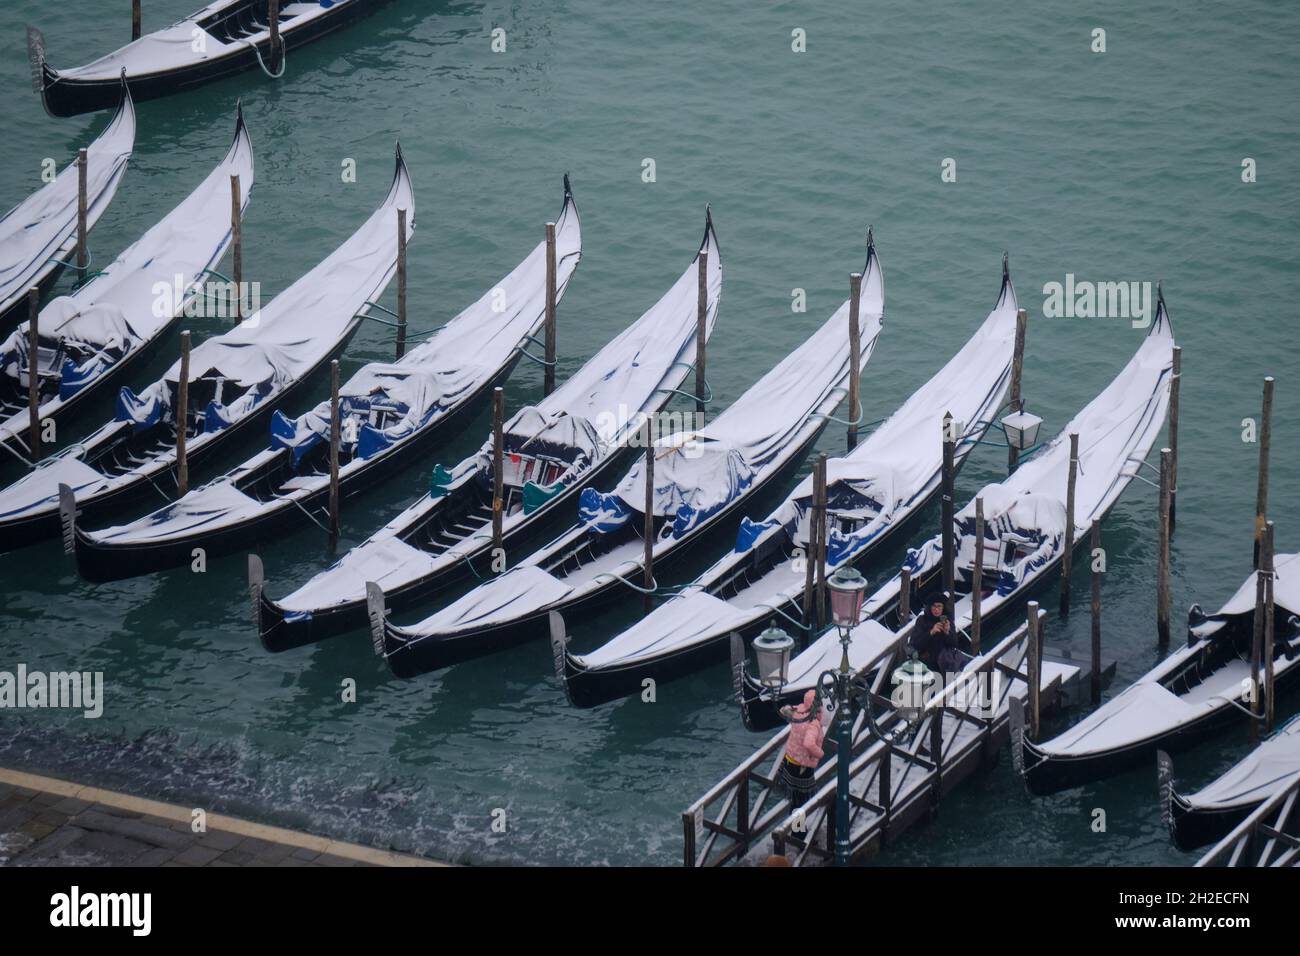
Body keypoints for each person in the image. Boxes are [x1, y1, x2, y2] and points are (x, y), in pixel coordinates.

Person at [779, 690, 824, 807]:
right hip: (802, 767)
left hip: (789, 760)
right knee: (801, 801)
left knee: (795, 799)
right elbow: (809, 744)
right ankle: (798, 825)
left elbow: (784, 710)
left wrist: (790, 708)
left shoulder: (798, 711)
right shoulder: (813, 723)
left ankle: (796, 823)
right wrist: (820, 754)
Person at [908, 592, 964, 673]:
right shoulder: (922, 620)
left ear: (943, 607)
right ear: (930, 607)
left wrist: (947, 632)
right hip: (927, 662)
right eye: (934, 606)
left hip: (945, 661)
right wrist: (931, 632)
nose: (936, 609)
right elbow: (915, 644)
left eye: (939, 606)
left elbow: (955, 643)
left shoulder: (947, 619)